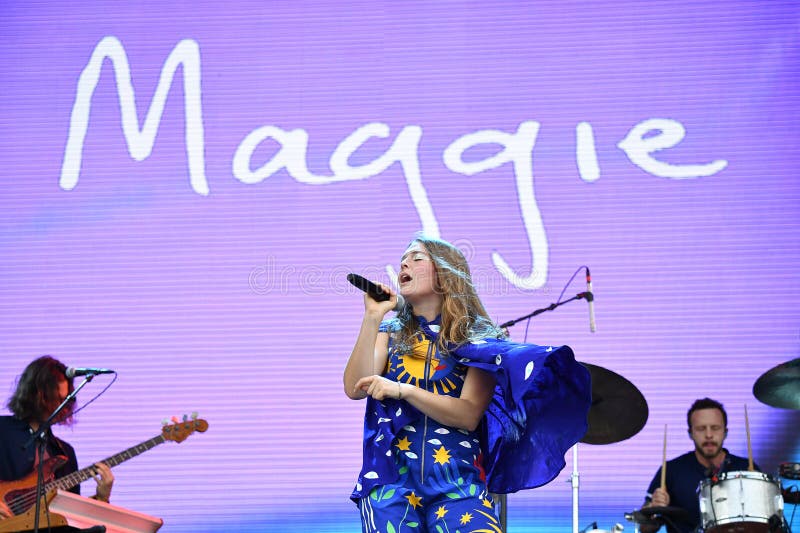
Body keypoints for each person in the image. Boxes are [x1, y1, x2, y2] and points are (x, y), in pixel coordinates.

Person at [344, 235, 591, 533]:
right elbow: (355, 387)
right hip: (390, 481)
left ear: (446, 273)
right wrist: (372, 316)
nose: (404, 263)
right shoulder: (391, 330)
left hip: (458, 484)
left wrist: (403, 390)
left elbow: (468, 413)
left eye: (417, 258)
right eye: (402, 260)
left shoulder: (479, 337)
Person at [0, 355, 114, 520]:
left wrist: (102, 498)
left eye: (66, 400)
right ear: (37, 395)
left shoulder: (65, 453)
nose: (63, 407)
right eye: (56, 399)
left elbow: (69, 520)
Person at [640, 398, 758, 533]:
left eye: (715, 428)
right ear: (690, 433)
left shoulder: (747, 468)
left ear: (725, 432)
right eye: (701, 429)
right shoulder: (671, 470)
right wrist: (655, 509)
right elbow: (644, 529)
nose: (708, 435)